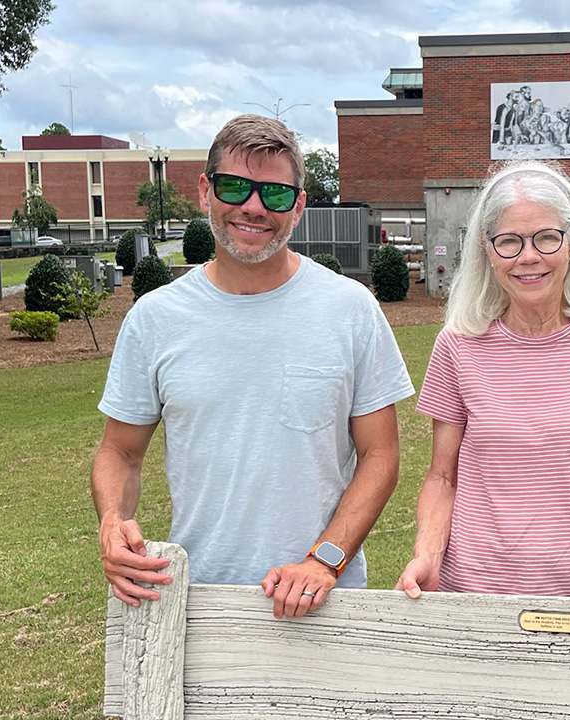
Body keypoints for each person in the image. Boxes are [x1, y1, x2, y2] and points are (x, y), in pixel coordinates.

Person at [92, 114, 414, 620]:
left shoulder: (350, 310)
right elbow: (120, 452)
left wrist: (324, 560)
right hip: (195, 599)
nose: (253, 207)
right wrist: (112, 520)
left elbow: (381, 457)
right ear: (205, 191)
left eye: (276, 194)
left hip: (326, 600)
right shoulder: (155, 318)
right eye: (235, 186)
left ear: (300, 207)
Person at [396, 161, 570, 605]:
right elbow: (442, 477)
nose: (529, 257)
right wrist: (427, 554)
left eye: (546, 237)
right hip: (475, 592)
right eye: (508, 242)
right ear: (487, 253)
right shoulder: (458, 345)